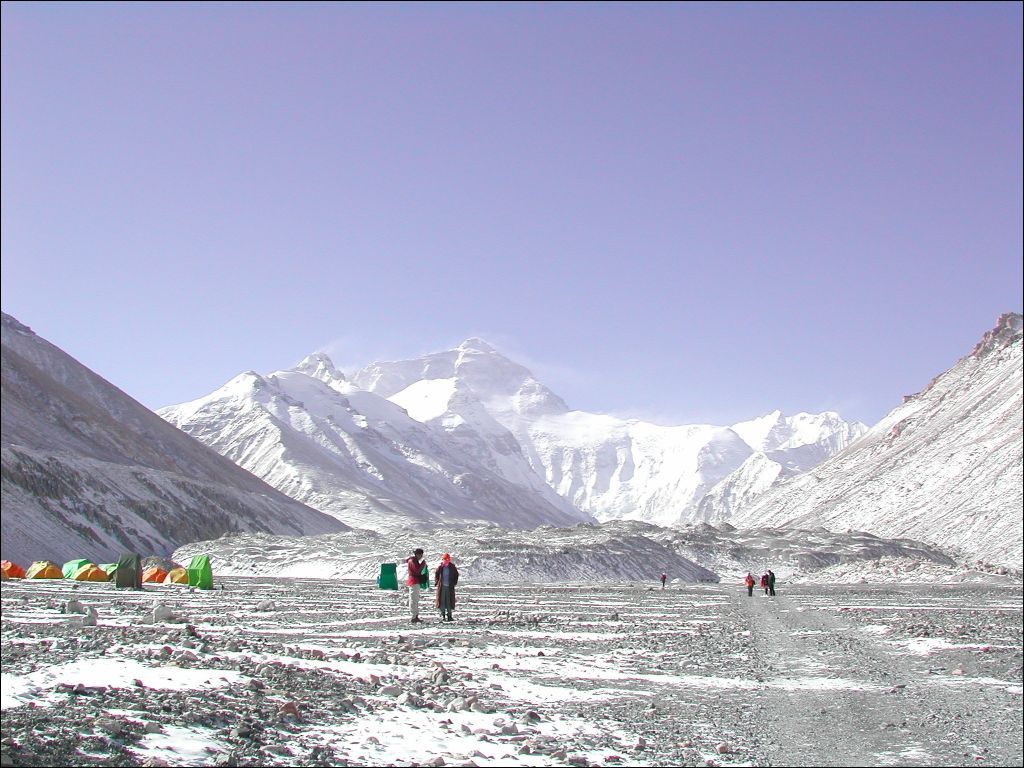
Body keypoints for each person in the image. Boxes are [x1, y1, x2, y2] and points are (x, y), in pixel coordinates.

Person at [434, 553, 460, 622]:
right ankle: (443, 615)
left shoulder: (452, 567)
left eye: (447, 559)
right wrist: (437, 582)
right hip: (442, 587)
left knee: (449, 601)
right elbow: (436, 574)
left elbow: (456, 575)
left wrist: (454, 583)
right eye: (445, 559)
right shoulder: (440, 567)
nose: (446, 560)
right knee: (442, 601)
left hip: (449, 587)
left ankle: (449, 616)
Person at [405, 548, 426, 623]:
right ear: (417, 554)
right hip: (414, 581)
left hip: (414, 581)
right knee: (414, 599)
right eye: (420, 555)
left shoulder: (413, 560)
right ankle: (413, 616)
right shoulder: (413, 561)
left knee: (415, 599)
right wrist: (422, 564)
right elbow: (417, 570)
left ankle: (415, 615)